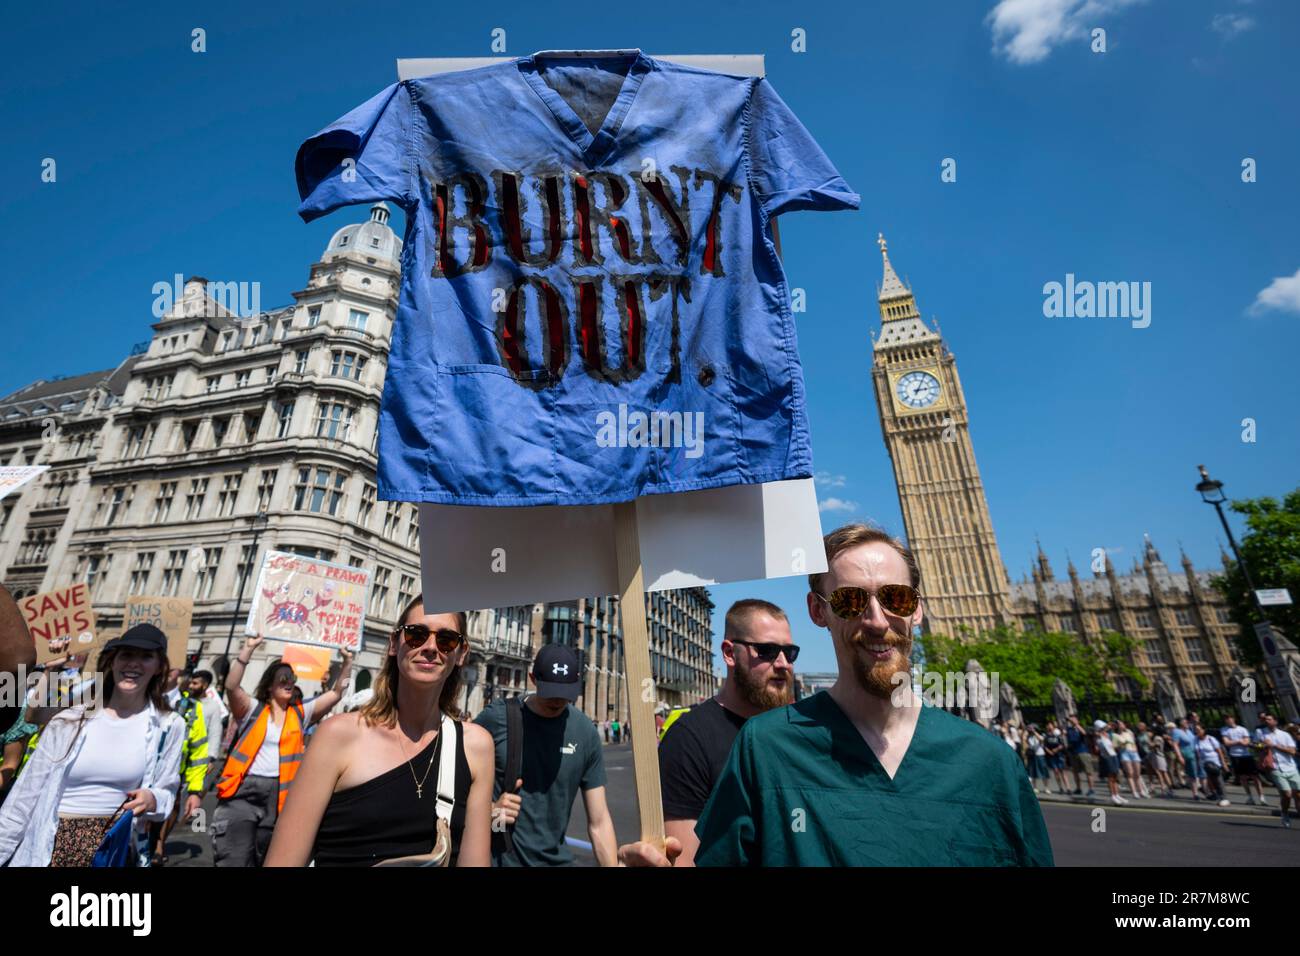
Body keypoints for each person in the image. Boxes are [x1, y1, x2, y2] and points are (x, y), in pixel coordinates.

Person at [620, 523, 1052, 866]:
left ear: (916, 608)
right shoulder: (765, 749)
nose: (878, 620)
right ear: (818, 611)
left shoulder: (991, 764)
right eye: (850, 601)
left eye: (896, 598)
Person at [265, 596, 493, 866]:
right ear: (394, 644)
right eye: (416, 634)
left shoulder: (475, 746)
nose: (431, 647)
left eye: (446, 640)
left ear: (461, 653)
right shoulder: (338, 735)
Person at [0, 624, 186, 866]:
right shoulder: (71, 718)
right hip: (51, 842)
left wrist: (152, 798)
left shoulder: (170, 725)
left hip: (109, 848)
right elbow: (24, 796)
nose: (134, 664)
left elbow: (167, 792)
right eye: (127, 655)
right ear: (114, 662)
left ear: (160, 666)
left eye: (146, 657)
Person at [652, 599, 796, 866]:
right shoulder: (687, 740)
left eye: (790, 653)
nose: (783, 663)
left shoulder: (798, 732)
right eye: (767, 651)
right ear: (730, 653)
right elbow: (685, 860)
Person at [211, 634, 351, 866]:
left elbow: (337, 693)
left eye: (292, 679)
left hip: (280, 795)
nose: (289, 683)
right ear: (269, 686)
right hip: (243, 792)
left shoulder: (300, 714)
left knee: (268, 856)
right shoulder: (252, 710)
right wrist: (248, 650)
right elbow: (231, 686)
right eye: (284, 678)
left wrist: (347, 663)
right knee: (233, 857)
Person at [474, 645, 617, 866]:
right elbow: (452, 782)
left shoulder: (585, 732)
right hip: (500, 860)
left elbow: (599, 821)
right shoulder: (496, 718)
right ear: (533, 679)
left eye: (565, 693)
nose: (557, 700)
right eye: (550, 690)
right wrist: (489, 810)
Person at [149, 672, 210, 864]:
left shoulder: (191, 707)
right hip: (134, 780)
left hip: (172, 776)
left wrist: (194, 790)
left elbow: (198, 749)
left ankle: (158, 844)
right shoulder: (136, 695)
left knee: (168, 809)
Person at [1256, 713, 1298, 827]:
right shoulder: (1261, 733)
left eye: (1269, 719)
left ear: (1275, 721)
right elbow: (1256, 747)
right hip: (1275, 768)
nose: (1266, 721)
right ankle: (1285, 813)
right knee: (1287, 794)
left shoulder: (1285, 735)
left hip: (1290, 767)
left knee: (1298, 794)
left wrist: (1274, 745)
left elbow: (1292, 751)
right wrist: (1261, 746)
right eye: (1265, 720)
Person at [1220, 716, 1266, 806]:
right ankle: (1250, 797)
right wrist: (1239, 741)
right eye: (1226, 719)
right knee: (1243, 777)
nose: (1228, 720)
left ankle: (1262, 797)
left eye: (1229, 718)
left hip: (1246, 755)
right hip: (1235, 756)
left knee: (1255, 777)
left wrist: (1235, 742)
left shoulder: (1242, 729)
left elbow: (1246, 742)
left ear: (1233, 719)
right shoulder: (1224, 730)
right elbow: (1226, 743)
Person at [1194, 724, 1231, 807]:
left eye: (1199, 730)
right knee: (1211, 781)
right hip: (1204, 764)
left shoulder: (1210, 739)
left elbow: (1219, 751)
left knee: (1218, 780)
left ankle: (1225, 798)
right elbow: (1197, 754)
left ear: (1203, 730)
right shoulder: (1196, 740)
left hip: (1215, 762)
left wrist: (1224, 763)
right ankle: (1218, 796)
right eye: (1196, 730)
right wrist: (1197, 765)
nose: (1197, 732)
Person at [1113, 720, 1148, 798]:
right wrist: (1121, 745)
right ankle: (1134, 792)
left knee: (1137, 773)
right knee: (1130, 773)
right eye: (1120, 724)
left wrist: (1135, 749)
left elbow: (1134, 742)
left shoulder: (1129, 732)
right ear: (1117, 726)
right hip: (1125, 753)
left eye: (1122, 723)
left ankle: (1141, 791)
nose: (1122, 725)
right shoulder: (1115, 735)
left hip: (1134, 753)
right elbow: (1115, 747)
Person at [1094, 720, 1125, 805]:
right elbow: (1097, 748)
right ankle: (1113, 796)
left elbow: (1110, 726)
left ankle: (1117, 794)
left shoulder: (1107, 734)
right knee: (1111, 777)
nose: (1105, 728)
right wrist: (1099, 733)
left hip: (1113, 755)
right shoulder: (1098, 736)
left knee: (1115, 776)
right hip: (1107, 757)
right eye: (1103, 728)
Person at [1065, 715, 1095, 795]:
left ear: (1077, 720)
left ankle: (1091, 789)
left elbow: (1084, 733)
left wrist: (1076, 725)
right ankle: (1078, 788)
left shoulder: (1082, 728)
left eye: (1074, 719)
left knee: (1088, 772)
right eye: (1071, 719)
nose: (1072, 721)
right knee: (1075, 772)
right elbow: (1069, 740)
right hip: (1074, 753)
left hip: (1084, 752)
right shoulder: (1069, 730)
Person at [1043, 720, 1069, 795]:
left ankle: (1068, 788)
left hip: (1059, 755)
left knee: (1063, 772)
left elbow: (1062, 744)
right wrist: (1049, 751)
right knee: (1056, 772)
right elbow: (1045, 746)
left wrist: (1056, 750)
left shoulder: (1057, 734)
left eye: (1050, 725)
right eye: (1048, 725)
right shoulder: (1046, 736)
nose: (1049, 726)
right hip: (1051, 756)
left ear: (1053, 726)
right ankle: (1060, 788)